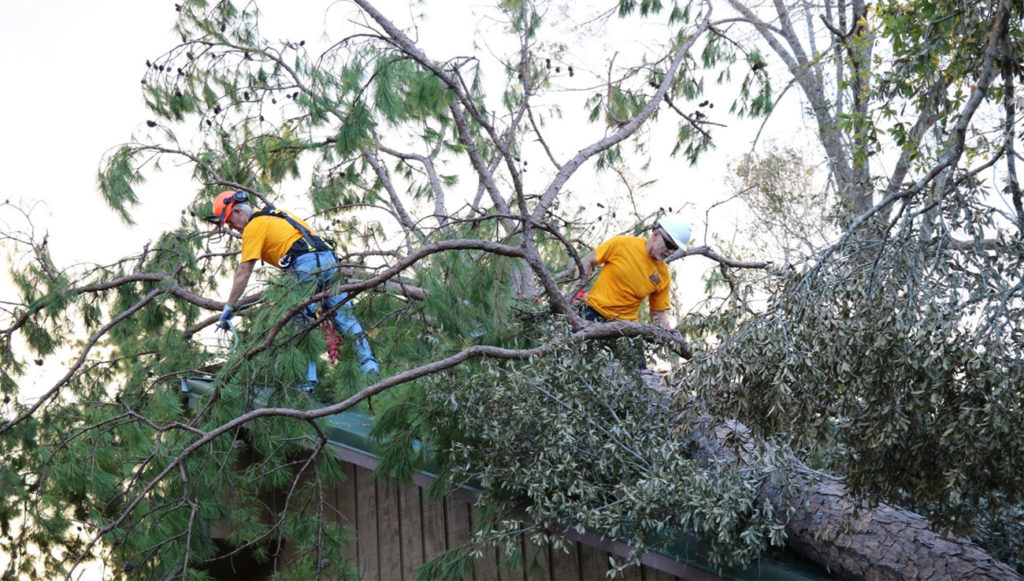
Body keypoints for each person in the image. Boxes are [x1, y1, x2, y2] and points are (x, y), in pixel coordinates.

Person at [213, 190, 380, 386]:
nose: (233, 228)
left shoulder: (253, 227)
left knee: (301, 322)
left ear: (237, 211)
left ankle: (306, 382)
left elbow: (243, 273)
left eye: (230, 222)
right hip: (329, 260)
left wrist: (229, 307)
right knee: (346, 317)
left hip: (304, 265)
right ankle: (369, 366)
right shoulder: (277, 215)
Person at [579, 215, 692, 331]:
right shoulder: (622, 244)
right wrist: (577, 292)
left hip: (623, 328)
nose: (671, 252)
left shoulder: (663, 275)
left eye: (676, 249)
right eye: (670, 245)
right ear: (656, 234)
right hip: (590, 312)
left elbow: (657, 313)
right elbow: (587, 261)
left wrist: (670, 333)